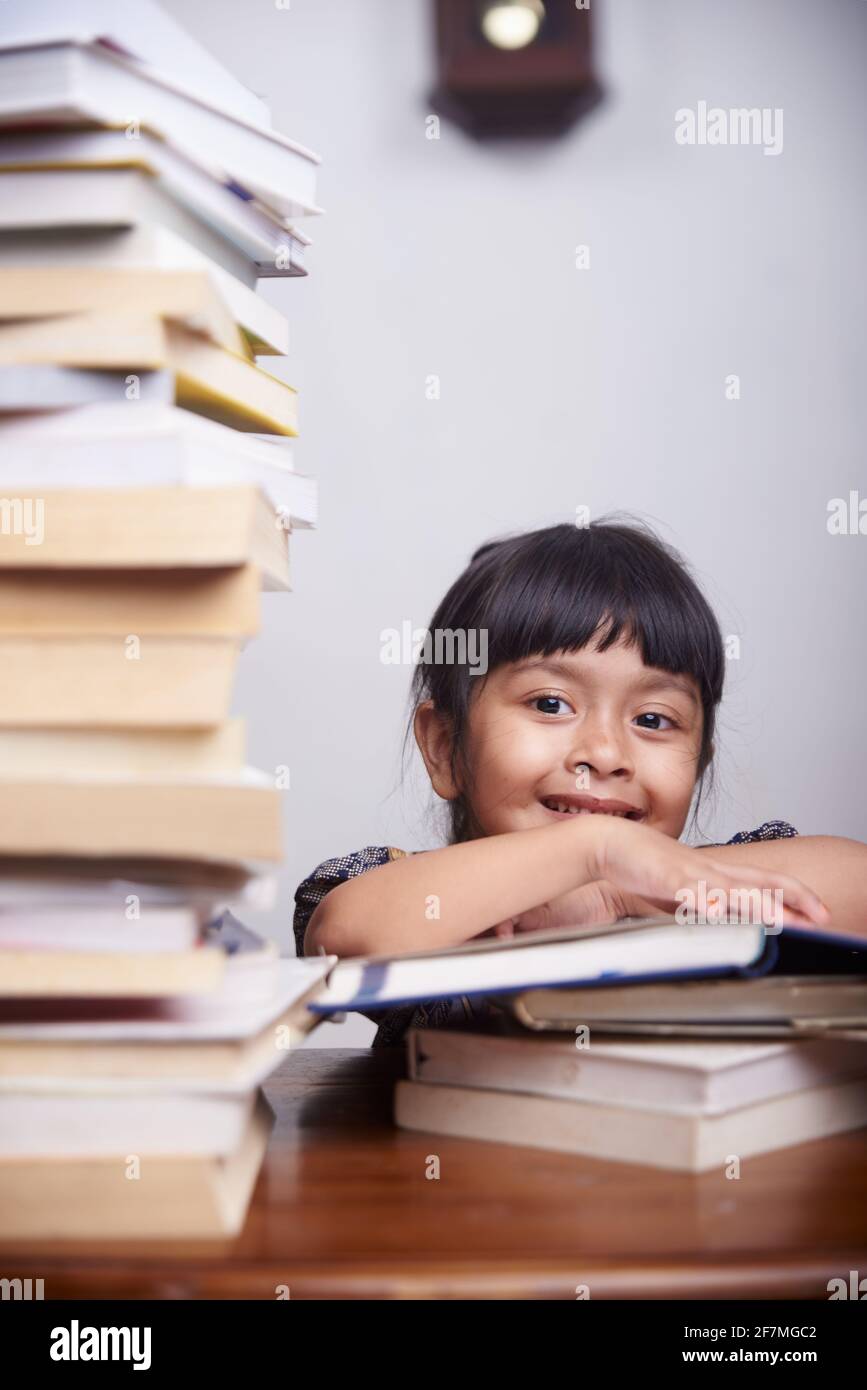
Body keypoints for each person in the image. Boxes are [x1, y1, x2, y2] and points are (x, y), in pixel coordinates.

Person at [294, 517, 866, 1046]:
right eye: (550, 703)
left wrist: (620, 891)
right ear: (446, 748)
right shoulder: (417, 894)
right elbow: (345, 934)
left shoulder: (710, 887)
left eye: (652, 720)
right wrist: (597, 848)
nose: (607, 752)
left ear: (700, 760)